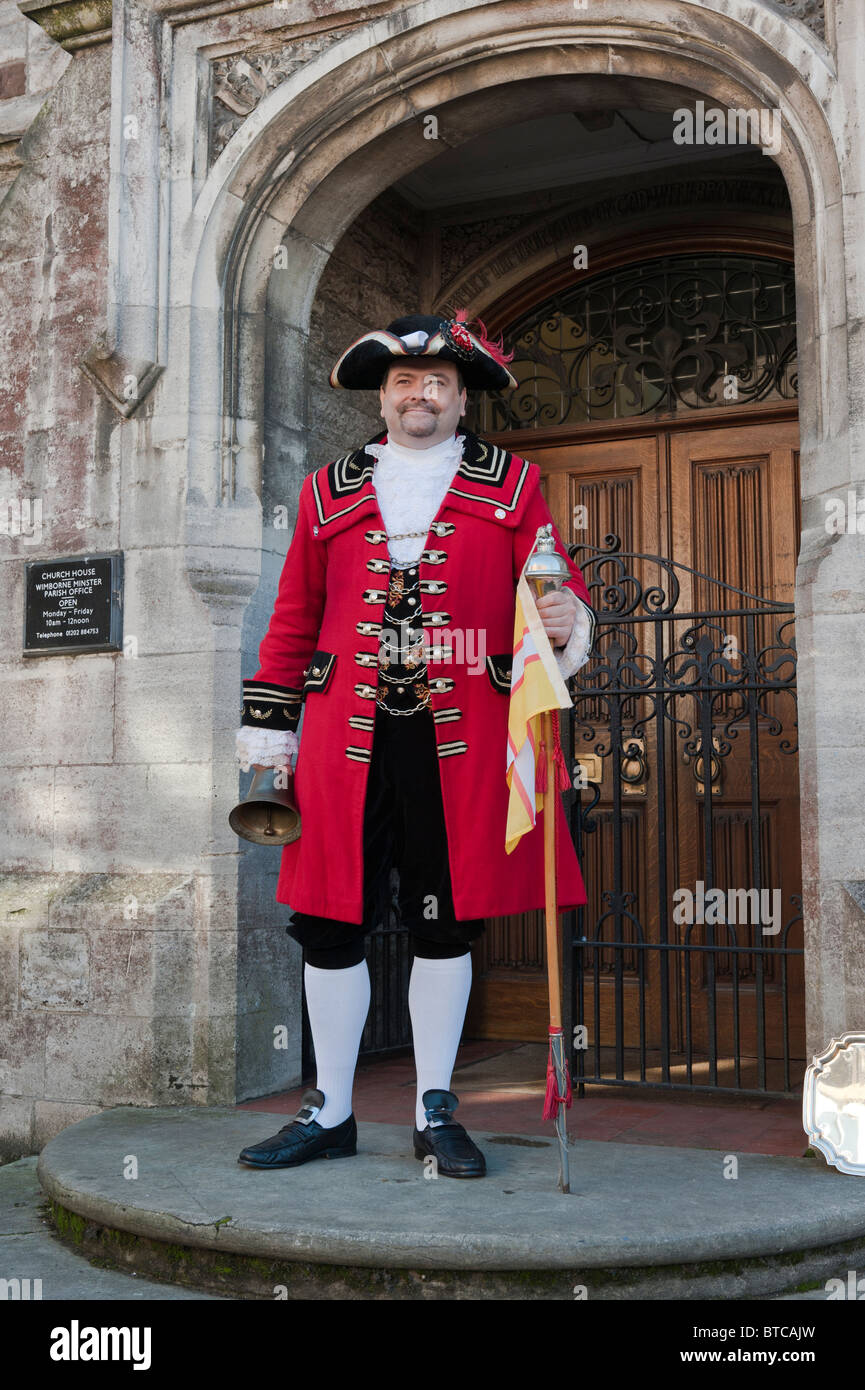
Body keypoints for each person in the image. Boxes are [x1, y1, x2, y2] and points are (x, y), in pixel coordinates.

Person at [234, 312, 594, 1178]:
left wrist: (562, 614)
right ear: (382, 397)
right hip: (339, 745)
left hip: (461, 738)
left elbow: (551, 577)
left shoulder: (512, 485)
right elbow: (291, 623)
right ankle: (331, 1111)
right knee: (328, 925)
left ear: (461, 399)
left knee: (444, 923)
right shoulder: (327, 492)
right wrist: (269, 742)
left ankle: (435, 1108)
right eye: (403, 383)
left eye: (436, 382)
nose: (419, 395)